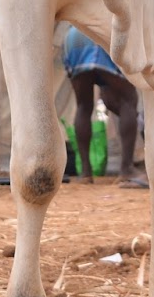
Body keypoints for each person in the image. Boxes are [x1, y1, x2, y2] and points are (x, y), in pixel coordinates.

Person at [62, 27, 146, 186]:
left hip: (73, 36)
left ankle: (86, 173)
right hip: (100, 32)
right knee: (129, 99)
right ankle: (127, 168)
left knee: (83, 106)